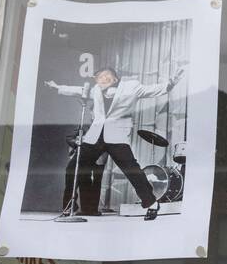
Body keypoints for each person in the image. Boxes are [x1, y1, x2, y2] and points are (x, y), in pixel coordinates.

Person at [47, 64, 185, 221]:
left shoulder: (131, 87)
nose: (102, 79)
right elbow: (78, 90)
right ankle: (69, 207)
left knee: (132, 169)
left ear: (115, 78)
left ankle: (152, 203)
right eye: (99, 77)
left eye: (106, 75)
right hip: (95, 136)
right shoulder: (96, 90)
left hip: (117, 135)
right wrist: (58, 87)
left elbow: (152, 90)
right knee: (73, 167)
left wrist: (171, 82)